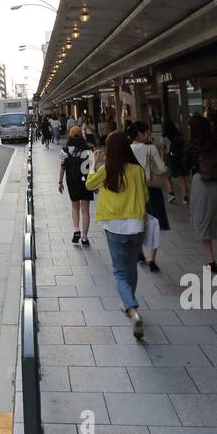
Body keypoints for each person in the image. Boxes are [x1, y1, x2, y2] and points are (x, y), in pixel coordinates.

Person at [85, 131, 150, 340]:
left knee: (120, 272)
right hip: (136, 225)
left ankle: (132, 309)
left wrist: (94, 163)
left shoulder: (107, 170)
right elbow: (146, 196)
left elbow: (89, 184)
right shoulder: (137, 171)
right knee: (131, 268)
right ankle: (128, 301)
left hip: (113, 226)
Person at [186, 115, 217, 272]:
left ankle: (210, 260)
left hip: (200, 184)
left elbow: (184, 163)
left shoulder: (192, 145)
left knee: (202, 220)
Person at [129, 122, 169, 272]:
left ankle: (140, 252)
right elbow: (161, 168)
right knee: (154, 223)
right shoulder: (151, 148)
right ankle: (152, 258)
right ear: (140, 133)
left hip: (134, 190)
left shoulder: (128, 149)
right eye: (146, 132)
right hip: (151, 190)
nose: (148, 134)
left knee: (138, 220)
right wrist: (165, 172)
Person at [58, 126, 95, 247]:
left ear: (70, 135)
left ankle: (76, 230)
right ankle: (84, 237)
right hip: (85, 182)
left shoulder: (65, 150)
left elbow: (62, 167)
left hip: (72, 182)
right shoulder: (89, 150)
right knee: (85, 211)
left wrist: (60, 182)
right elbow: (91, 167)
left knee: (75, 207)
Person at [161, 121, 190, 205]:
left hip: (169, 158)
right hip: (179, 157)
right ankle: (185, 197)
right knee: (181, 177)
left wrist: (162, 161)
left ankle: (171, 193)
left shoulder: (164, 137)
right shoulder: (179, 135)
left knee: (167, 176)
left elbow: (162, 149)